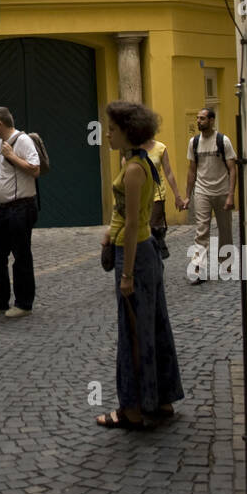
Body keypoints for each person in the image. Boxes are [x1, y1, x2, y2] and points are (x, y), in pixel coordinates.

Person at [97, 100, 184, 430]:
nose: (107, 134)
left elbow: (134, 223)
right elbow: (125, 219)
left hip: (137, 254)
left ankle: (132, 409)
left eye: (113, 129)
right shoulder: (138, 161)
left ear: (128, 132)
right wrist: (110, 234)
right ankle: (162, 399)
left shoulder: (134, 169)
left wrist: (127, 273)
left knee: (133, 331)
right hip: (144, 251)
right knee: (155, 325)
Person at [0, 106, 40, 318]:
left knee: (21, 256)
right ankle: (0, 300)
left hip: (20, 208)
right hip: (4, 209)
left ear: (0, 123)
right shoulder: (1, 142)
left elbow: (35, 169)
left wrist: (12, 156)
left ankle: (23, 304)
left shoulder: (22, 141)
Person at [183, 107, 237, 283]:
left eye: (203, 118)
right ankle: (199, 269)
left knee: (225, 230)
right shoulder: (194, 142)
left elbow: (232, 169)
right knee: (201, 230)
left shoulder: (223, 141)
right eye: (198, 118)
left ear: (212, 120)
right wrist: (188, 196)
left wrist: (230, 195)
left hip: (221, 191)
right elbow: (191, 171)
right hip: (202, 191)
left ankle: (226, 265)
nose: (199, 121)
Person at [133, 132, 186, 259]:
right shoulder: (134, 148)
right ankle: (147, 259)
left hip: (157, 194)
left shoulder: (160, 148)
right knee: (140, 229)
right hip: (139, 194)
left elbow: (168, 173)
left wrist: (177, 196)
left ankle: (155, 260)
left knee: (153, 228)